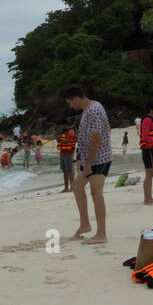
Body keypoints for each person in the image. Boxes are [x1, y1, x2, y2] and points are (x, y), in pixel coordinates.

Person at [64, 85, 111, 244]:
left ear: (75, 99)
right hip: (89, 159)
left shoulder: (93, 110)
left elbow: (96, 138)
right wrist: (84, 160)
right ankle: (85, 224)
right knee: (76, 187)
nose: (71, 106)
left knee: (96, 193)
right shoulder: (89, 109)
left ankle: (101, 234)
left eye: (70, 103)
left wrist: (89, 162)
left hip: (99, 158)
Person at [56, 127, 77, 193]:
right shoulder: (62, 132)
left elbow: (67, 142)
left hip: (69, 154)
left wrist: (60, 139)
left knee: (70, 171)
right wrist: (57, 137)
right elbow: (60, 142)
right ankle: (66, 188)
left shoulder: (71, 131)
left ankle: (72, 187)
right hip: (62, 153)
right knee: (64, 171)